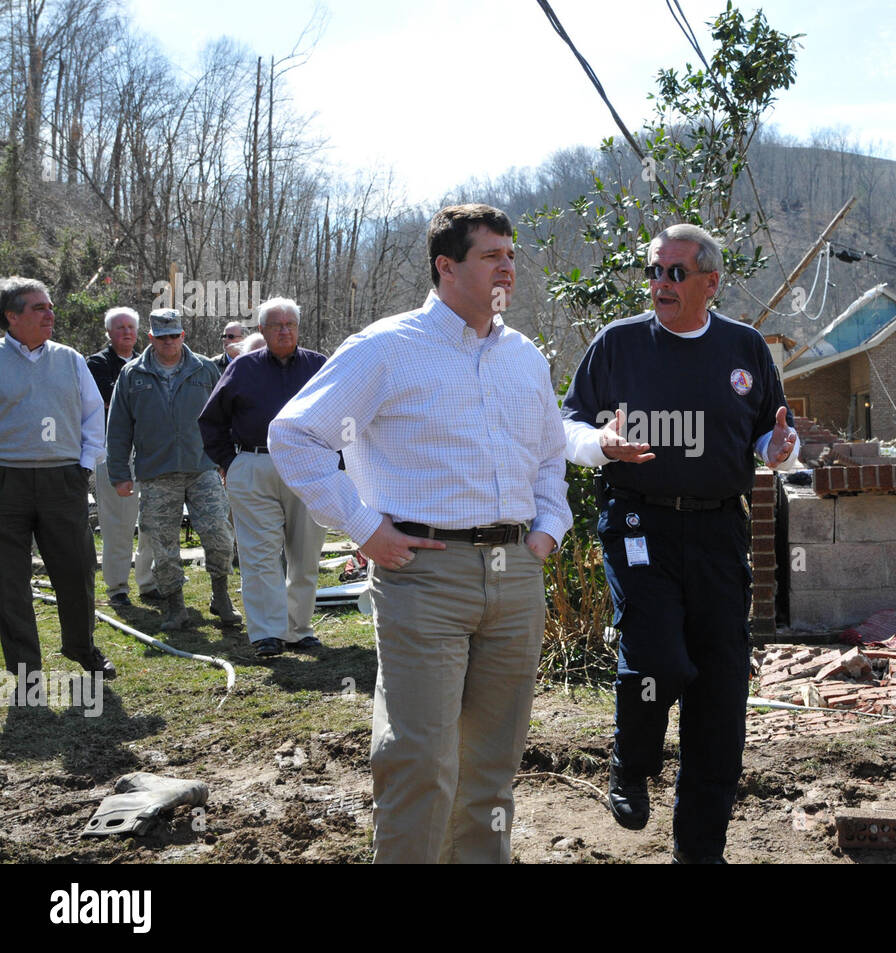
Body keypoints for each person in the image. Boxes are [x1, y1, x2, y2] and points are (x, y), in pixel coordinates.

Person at [269, 203, 571, 864]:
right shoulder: (388, 347)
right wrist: (362, 524)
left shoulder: (523, 356)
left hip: (515, 574)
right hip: (423, 573)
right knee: (419, 759)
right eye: (492, 255)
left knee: (492, 767)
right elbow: (295, 434)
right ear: (446, 265)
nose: (508, 268)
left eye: (511, 255)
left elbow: (550, 454)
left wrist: (547, 530)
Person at [560, 224, 799, 863]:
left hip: (721, 531)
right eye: (653, 272)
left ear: (710, 282)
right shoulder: (618, 345)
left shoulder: (744, 347)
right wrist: (598, 445)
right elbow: (565, 423)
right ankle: (631, 761)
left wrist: (777, 449)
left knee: (720, 691)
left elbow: (771, 436)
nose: (660, 285)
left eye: (675, 273)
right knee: (658, 662)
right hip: (641, 525)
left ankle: (700, 849)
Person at [0, 276, 116, 680]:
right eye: (39, 308)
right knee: (8, 579)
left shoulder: (70, 359)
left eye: (50, 306)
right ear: (12, 317)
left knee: (76, 568)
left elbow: (92, 413)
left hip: (62, 480)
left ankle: (81, 648)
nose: (50, 314)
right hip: (7, 483)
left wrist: (84, 463)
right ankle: (25, 666)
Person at [199, 298, 328, 659]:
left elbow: (345, 413)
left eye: (290, 324)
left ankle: (298, 628)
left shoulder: (319, 366)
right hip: (254, 465)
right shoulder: (242, 369)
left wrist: (336, 463)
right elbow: (210, 421)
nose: (284, 330)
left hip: (308, 468)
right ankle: (266, 632)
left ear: (298, 328)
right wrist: (231, 462)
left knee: (305, 554)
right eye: (275, 325)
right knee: (260, 555)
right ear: (262, 331)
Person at [106, 310, 239, 632]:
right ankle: (174, 606)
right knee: (163, 546)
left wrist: (227, 459)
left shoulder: (205, 369)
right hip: (156, 470)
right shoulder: (132, 374)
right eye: (162, 337)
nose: (169, 342)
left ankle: (220, 596)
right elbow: (119, 427)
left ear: (183, 336)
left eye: (174, 336)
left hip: (202, 467)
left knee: (220, 535)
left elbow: (225, 417)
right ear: (150, 338)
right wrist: (119, 472)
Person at [86, 307, 157, 608]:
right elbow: (107, 402)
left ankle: (149, 582)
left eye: (130, 327)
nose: (126, 332)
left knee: (153, 521)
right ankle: (117, 586)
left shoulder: (149, 362)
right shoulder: (97, 364)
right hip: (116, 451)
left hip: (152, 451)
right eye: (119, 328)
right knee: (118, 522)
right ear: (108, 333)